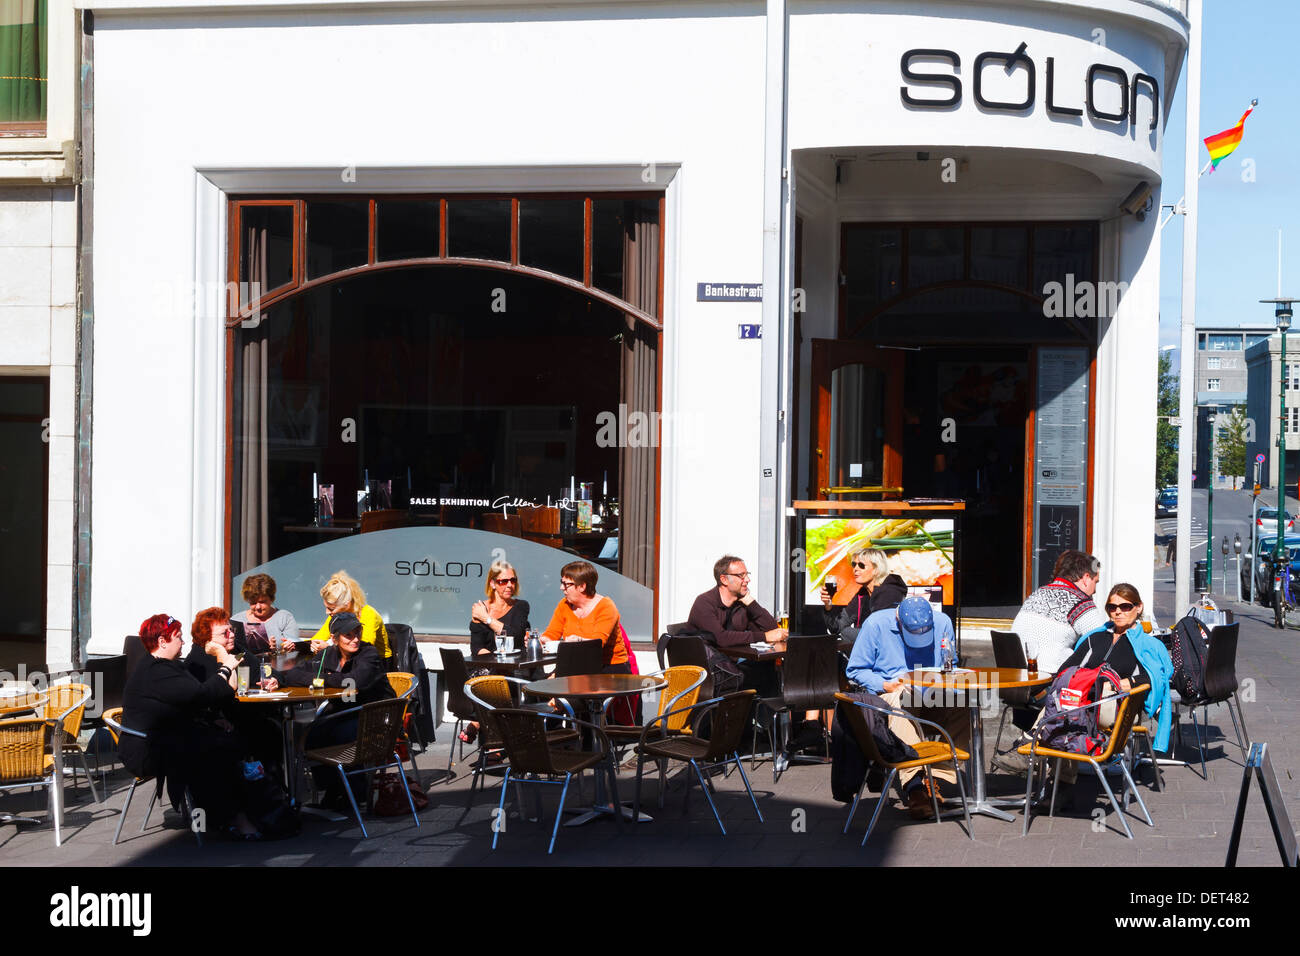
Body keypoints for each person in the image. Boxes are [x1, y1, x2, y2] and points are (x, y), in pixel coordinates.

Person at [120, 613, 263, 839]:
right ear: (162, 641)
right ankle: (232, 818)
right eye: (178, 637)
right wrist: (224, 665)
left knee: (228, 741)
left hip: (163, 739)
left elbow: (192, 700)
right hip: (146, 751)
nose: (183, 642)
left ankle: (227, 816)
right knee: (220, 749)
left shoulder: (167, 666)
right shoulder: (156, 671)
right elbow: (202, 695)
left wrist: (211, 718)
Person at [845, 596, 969, 819]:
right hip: (892, 692)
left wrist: (949, 683)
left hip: (931, 694)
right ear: (899, 622)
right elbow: (855, 670)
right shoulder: (876, 624)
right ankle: (915, 785)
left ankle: (936, 778)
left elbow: (951, 664)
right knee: (902, 700)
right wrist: (884, 684)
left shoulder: (942, 623)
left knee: (964, 704)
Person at [266, 611, 396, 809]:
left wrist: (321, 680)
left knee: (338, 734)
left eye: (357, 633)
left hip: (374, 716)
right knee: (310, 736)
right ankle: (332, 790)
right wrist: (278, 678)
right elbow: (295, 673)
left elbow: (355, 681)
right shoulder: (328, 654)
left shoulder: (368, 654)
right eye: (348, 635)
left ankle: (354, 792)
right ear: (334, 639)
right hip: (345, 711)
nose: (355, 639)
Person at [461, 561, 531, 743]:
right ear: (492, 583)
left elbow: (515, 636)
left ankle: (477, 724)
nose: (509, 585)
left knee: (495, 680)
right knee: (492, 681)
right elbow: (477, 648)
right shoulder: (479, 608)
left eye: (512, 580)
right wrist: (495, 661)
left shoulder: (521, 606)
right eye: (503, 581)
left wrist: (487, 618)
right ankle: (495, 743)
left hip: (515, 668)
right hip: (488, 669)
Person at [1010, 550, 1107, 674]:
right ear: (1086, 578)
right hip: (1049, 678)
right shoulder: (1080, 602)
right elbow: (1102, 643)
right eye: (1096, 582)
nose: (1095, 591)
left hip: (1017, 675)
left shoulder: (1038, 593)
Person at [541, 560, 627, 672]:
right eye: (562, 582)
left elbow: (597, 643)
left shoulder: (606, 606)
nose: (561, 588)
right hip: (576, 665)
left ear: (582, 586)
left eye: (566, 584)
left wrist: (578, 640)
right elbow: (552, 633)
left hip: (608, 668)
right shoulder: (564, 605)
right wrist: (541, 641)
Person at [820, 548, 908, 642]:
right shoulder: (863, 593)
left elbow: (879, 633)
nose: (855, 569)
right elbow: (836, 627)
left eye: (861, 565)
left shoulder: (890, 591)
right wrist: (828, 605)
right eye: (854, 565)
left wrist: (845, 633)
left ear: (876, 570)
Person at [309, 570, 391, 663]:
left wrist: (328, 648)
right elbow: (318, 638)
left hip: (377, 663)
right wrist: (310, 645)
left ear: (346, 604)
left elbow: (363, 648)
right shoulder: (337, 616)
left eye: (331, 609)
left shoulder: (369, 614)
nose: (327, 612)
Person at [232, 573, 300, 655]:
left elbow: (295, 648)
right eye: (253, 603)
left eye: (262, 602)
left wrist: (279, 649)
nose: (258, 607)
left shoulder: (284, 618)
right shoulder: (237, 620)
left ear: (271, 599)